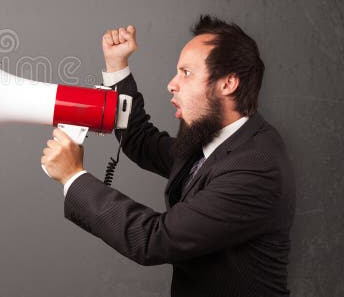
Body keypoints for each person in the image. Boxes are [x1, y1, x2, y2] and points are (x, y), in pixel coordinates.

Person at [41, 15, 295, 296]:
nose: (172, 84)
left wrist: (74, 177)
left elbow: (154, 240)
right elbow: (141, 141)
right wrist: (117, 66)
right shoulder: (217, 141)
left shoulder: (255, 166)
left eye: (186, 73)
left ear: (228, 84)